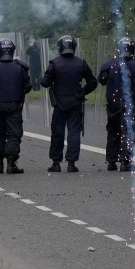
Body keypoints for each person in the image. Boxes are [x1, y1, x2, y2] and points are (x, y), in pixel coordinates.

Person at [41, 34, 97, 172]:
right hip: (76, 101)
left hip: (59, 102)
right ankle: (71, 164)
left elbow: (44, 83)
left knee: (57, 132)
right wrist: (82, 92)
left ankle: (56, 163)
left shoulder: (54, 63)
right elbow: (93, 82)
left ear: (60, 47)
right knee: (74, 132)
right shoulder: (81, 63)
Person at [98, 37, 135, 172]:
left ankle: (111, 161)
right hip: (128, 103)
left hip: (113, 104)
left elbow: (102, 80)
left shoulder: (109, 64)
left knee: (113, 131)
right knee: (128, 131)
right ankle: (125, 161)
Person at [0, 38, 31, 174]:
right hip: (14, 105)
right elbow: (28, 87)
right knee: (13, 134)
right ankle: (11, 164)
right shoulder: (21, 67)